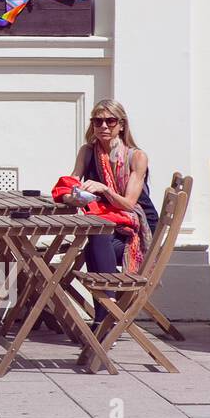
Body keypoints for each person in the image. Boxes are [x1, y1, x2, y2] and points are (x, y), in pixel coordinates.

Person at [65, 98, 159, 290]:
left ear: (122, 125)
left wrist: (105, 189)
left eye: (111, 121)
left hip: (137, 230)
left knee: (96, 240)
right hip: (107, 223)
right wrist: (71, 196)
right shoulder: (88, 152)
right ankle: (106, 314)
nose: (104, 126)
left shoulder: (136, 157)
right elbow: (72, 181)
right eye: (98, 121)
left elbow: (129, 204)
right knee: (96, 237)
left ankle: (107, 312)